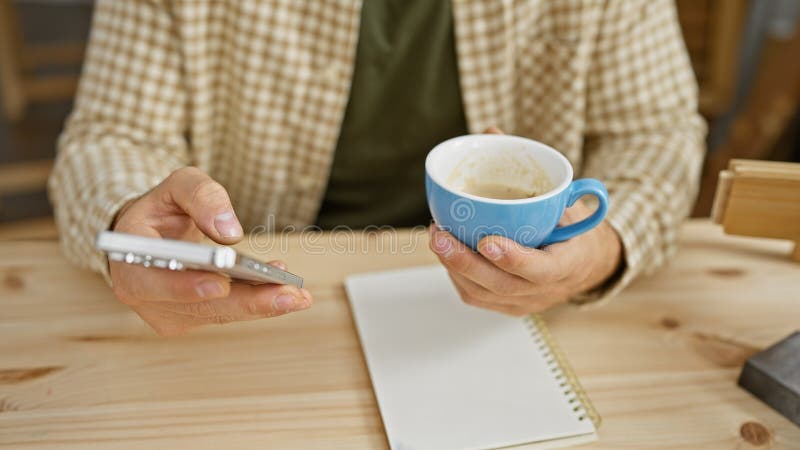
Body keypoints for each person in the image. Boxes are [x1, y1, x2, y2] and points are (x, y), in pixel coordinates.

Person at [49, 0, 705, 336]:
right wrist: (128, 225)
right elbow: (111, 137)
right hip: (268, 303)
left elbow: (655, 136)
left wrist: (598, 252)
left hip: (516, 319)